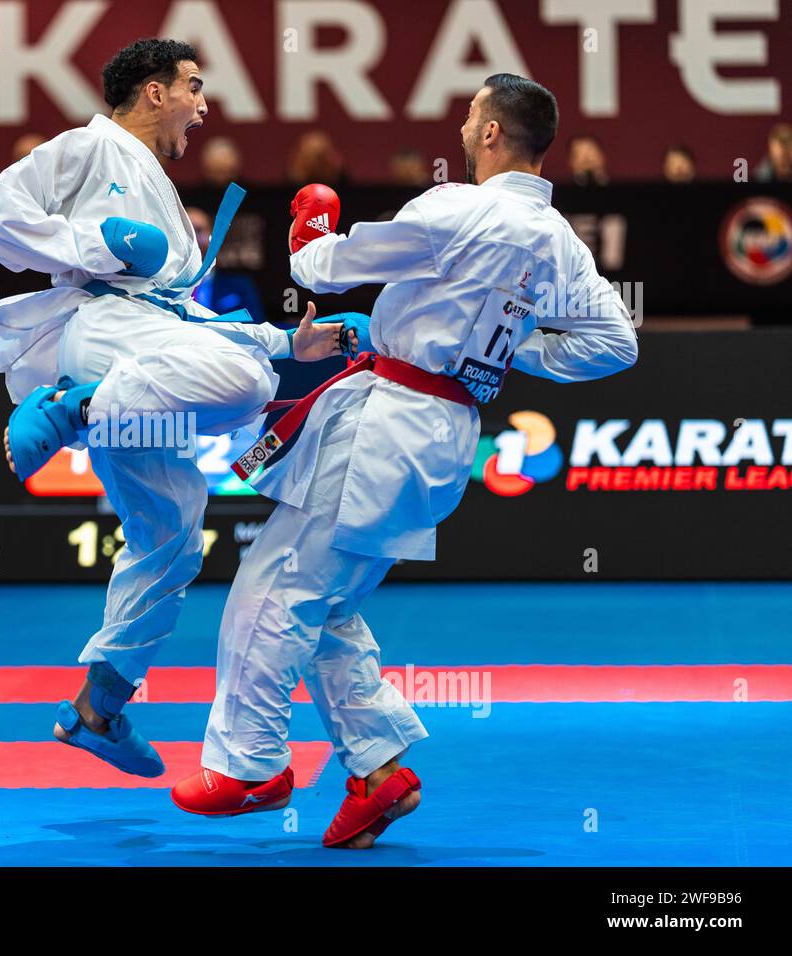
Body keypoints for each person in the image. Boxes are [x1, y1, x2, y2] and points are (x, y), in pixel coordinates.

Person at [171, 74, 639, 848]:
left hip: (387, 424)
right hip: (445, 429)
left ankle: (249, 764)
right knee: (329, 606)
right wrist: (497, 346)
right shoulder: (558, 241)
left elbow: (324, 269)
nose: (461, 124)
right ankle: (379, 770)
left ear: (492, 132)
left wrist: (309, 229)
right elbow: (614, 344)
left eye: (470, 112)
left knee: (277, 586)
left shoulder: (457, 205)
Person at [0, 38, 349, 778]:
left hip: (145, 356)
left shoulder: (163, 194)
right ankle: (72, 408)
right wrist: (98, 241)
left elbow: (182, 318)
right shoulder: (90, 146)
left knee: (172, 535)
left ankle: (97, 709)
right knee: (247, 388)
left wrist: (285, 341)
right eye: (193, 88)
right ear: (152, 92)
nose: (202, 107)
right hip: (105, 336)